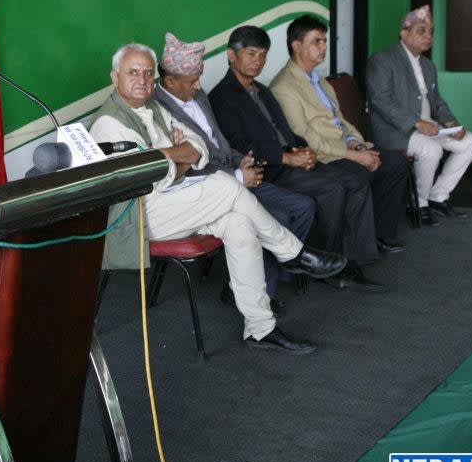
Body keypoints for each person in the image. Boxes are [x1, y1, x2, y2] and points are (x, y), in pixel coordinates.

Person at [90, 42, 348, 356]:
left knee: (239, 225)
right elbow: (151, 173)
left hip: (172, 202)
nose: (142, 79)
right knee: (223, 185)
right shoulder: (109, 123)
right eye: (133, 72)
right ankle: (292, 252)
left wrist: (172, 158)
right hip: (137, 217)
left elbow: (198, 145)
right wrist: (176, 158)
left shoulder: (152, 108)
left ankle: (260, 327)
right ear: (114, 78)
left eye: (147, 72)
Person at [209, 25, 387, 291]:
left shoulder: (261, 90)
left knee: (355, 181)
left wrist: (304, 150)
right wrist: (287, 158)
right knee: (333, 188)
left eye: (262, 55)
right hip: (267, 172)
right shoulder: (222, 97)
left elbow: (287, 132)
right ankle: (328, 264)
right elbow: (239, 147)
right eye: (250, 54)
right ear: (231, 56)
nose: (257, 61)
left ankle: (351, 261)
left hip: (291, 162)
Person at [152, 32, 316, 308]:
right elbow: (185, 170)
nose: (199, 85)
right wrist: (238, 177)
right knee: (276, 216)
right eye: (192, 81)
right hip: (208, 188)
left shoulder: (197, 94)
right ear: (169, 81)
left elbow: (220, 144)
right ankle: (261, 294)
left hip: (234, 173)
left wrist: (242, 161)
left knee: (304, 206)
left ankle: (248, 283)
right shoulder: (157, 110)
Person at [269, 15, 410, 255]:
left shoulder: (320, 80)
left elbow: (341, 120)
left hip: (345, 148)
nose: (323, 47)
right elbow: (303, 136)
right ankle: (354, 246)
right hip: (324, 156)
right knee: (361, 173)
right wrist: (353, 156)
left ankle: (380, 234)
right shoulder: (284, 86)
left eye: (324, 41)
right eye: (316, 41)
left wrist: (356, 143)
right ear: (296, 45)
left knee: (396, 164)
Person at [366, 5, 472, 225]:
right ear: (404, 33)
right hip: (396, 131)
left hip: (428, 127)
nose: (428, 36)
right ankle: (419, 203)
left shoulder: (428, 65)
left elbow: (437, 100)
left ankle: (437, 196)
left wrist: (452, 123)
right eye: (421, 30)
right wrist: (416, 123)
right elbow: (380, 100)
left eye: (431, 32)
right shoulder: (383, 59)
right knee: (431, 149)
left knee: (470, 142)